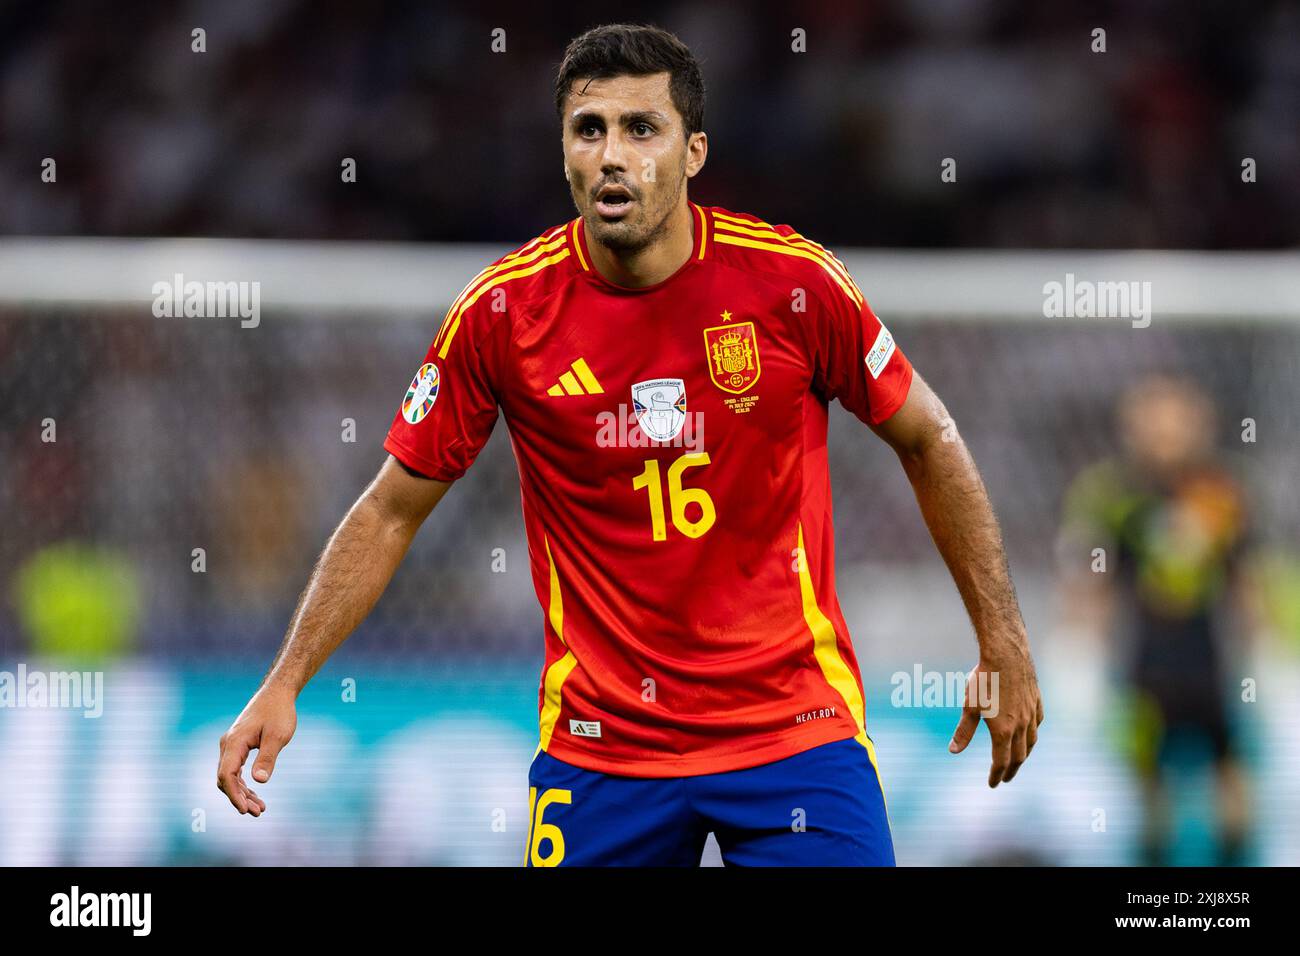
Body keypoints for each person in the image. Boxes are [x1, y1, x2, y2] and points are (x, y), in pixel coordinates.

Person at [217, 22, 1043, 866]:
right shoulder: (503, 312)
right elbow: (392, 507)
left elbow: (930, 438)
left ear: (694, 153)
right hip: (601, 748)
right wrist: (285, 681)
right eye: (590, 129)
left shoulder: (792, 284)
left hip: (793, 730)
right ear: (565, 153)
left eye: (641, 129)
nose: (613, 155)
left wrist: (1003, 639)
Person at [1058, 373, 1254, 866]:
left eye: (1175, 420)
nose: (1165, 433)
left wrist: (1264, 658)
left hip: (1211, 665)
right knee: (1150, 802)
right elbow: (1090, 581)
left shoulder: (1222, 492)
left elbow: (1244, 580)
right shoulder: (1112, 495)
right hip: (1143, 668)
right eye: (1153, 420)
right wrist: (1079, 649)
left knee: (1233, 795)